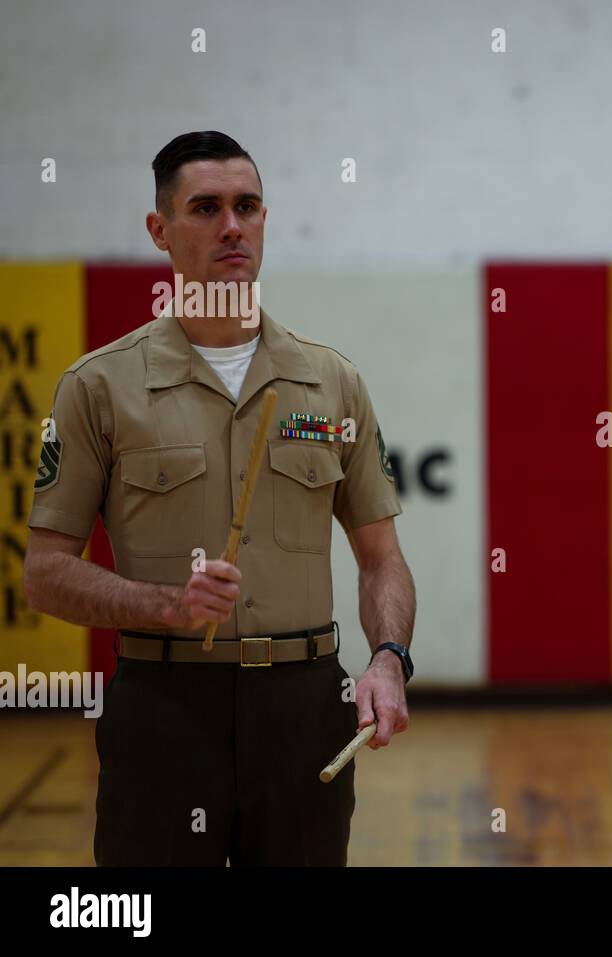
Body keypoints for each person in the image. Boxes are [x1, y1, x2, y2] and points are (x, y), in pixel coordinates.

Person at [23, 130, 416, 866]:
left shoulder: (332, 383)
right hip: (164, 708)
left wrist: (389, 657)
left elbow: (381, 559)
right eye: (205, 208)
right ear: (160, 230)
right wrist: (165, 605)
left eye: (247, 206)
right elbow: (43, 573)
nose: (232, 225)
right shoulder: (99, 387)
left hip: (306, 709)